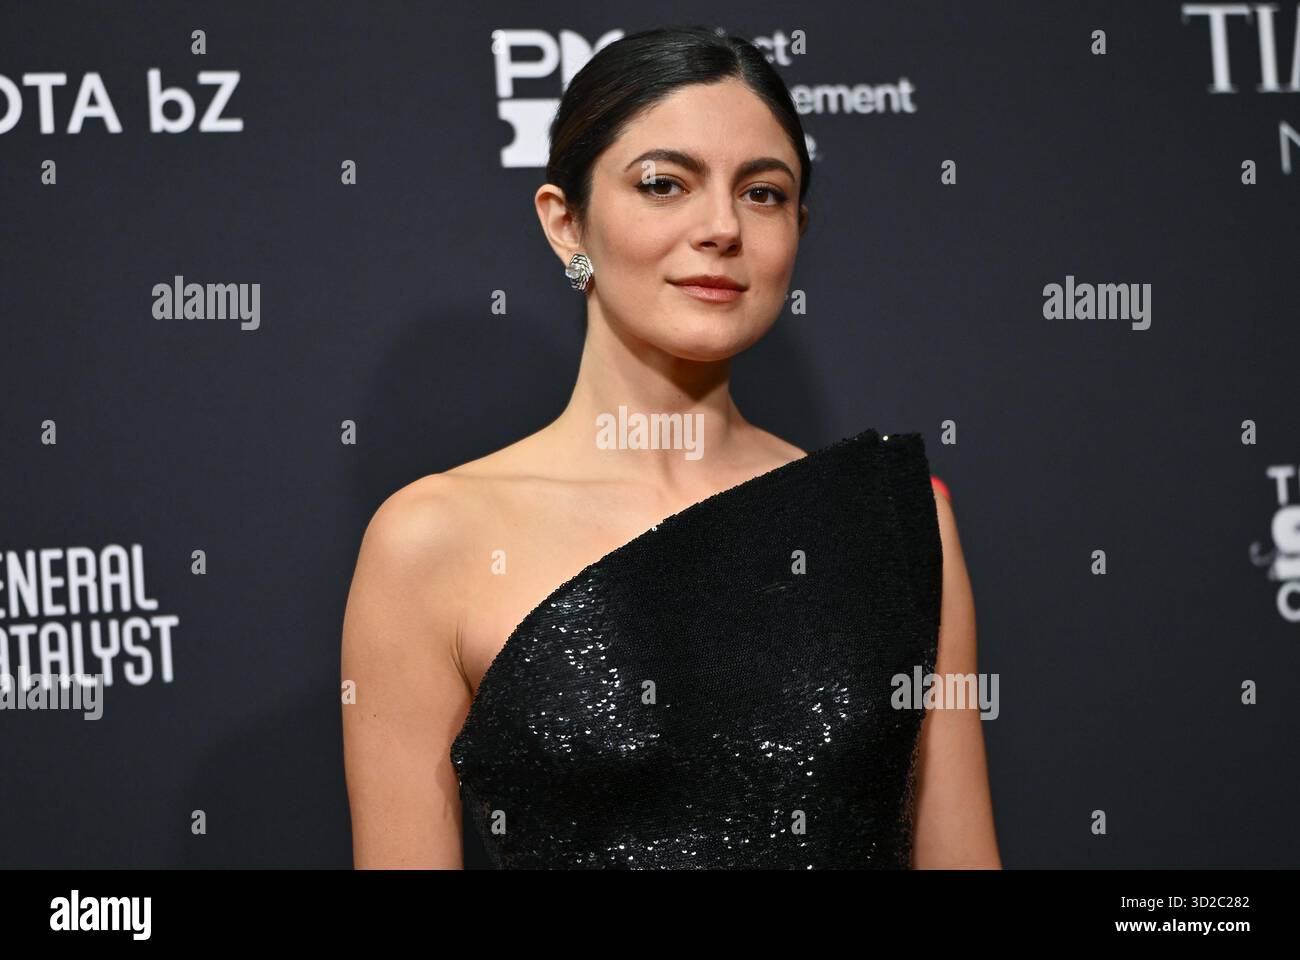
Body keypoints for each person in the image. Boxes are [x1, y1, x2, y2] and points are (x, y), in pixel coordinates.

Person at [341, 25, 999, 869]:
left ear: (798, 225)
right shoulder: (431, 539)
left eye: (763, 193)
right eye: (664, 184)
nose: (721, 226)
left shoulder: (900, 526)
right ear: (565, 223)